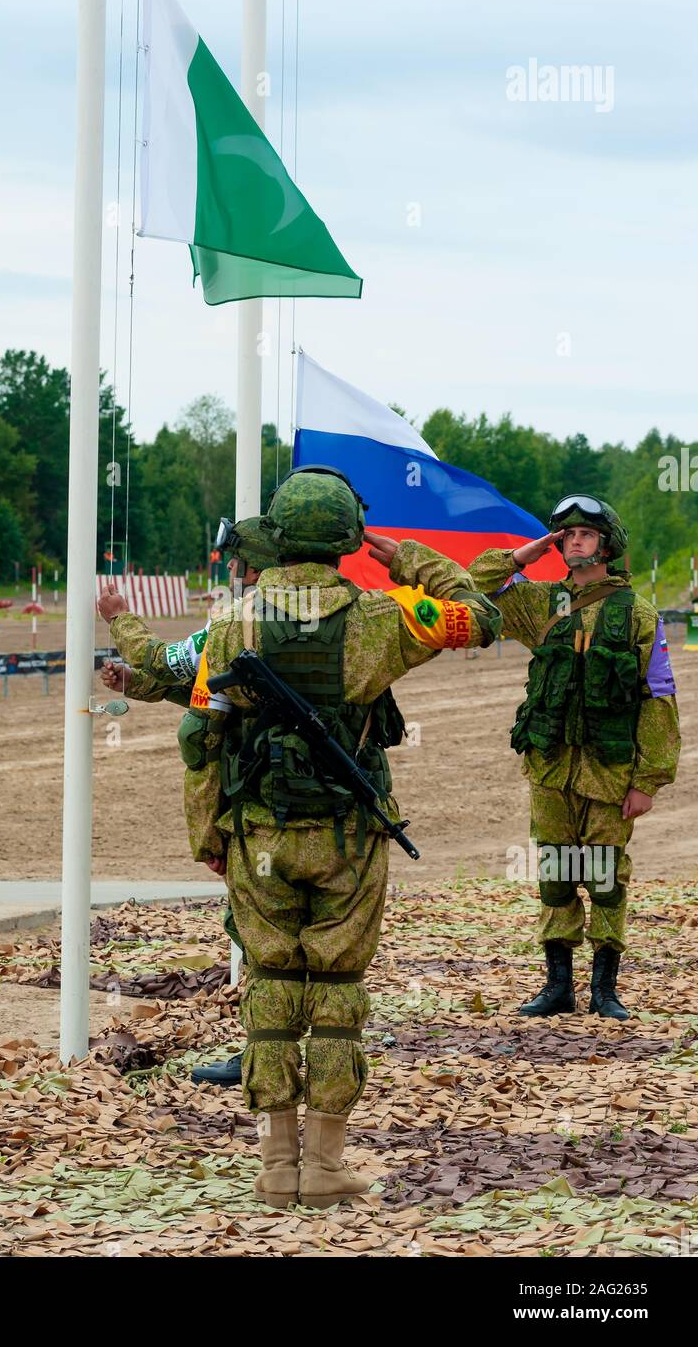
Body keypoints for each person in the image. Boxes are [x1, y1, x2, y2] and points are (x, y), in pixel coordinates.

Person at [182, 466, 502, 1209]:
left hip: (257, 833)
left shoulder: (232, 623)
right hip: (348, 838)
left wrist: (206, 832)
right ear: (345, 542)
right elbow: (478, 613)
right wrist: (411, 559)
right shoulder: (385, 617)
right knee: (333, 991)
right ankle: (324, 1168)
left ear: (280, 536)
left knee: (267, 989)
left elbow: (200, 733)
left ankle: (274, 1169)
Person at [469, 495, 680, 1020]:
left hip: (609, 771)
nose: (574, 540)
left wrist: (648, 780)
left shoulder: (637, 614)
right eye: (567, 534)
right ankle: (558, 984)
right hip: (550, 767)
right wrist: (529, 552)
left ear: (607, 545)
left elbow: (658, 698)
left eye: (586, 533)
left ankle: (605, 989)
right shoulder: (543, 604)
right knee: (556, 873)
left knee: (606, 875)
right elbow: (478, 583)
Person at [96, 516, 280, 1087]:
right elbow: (202, 683)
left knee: (260, 933)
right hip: (322, 808)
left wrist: (118, 617)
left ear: (253, 565)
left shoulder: (235, 623)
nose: (228, 570)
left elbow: (169, 663)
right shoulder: (324, 620)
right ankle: (303, 1057)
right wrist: (137, 685)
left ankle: (266, 1056)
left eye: (234, 561)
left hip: (260, 812)